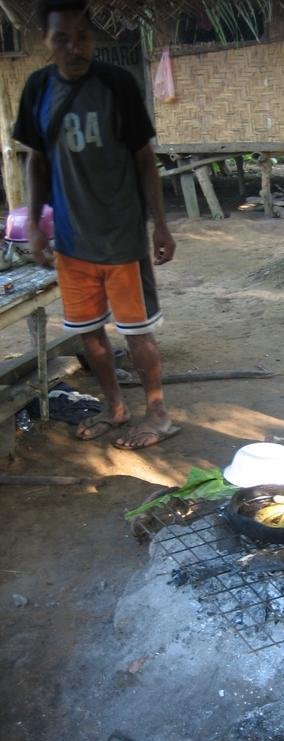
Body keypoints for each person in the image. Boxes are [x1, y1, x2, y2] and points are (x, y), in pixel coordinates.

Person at [12, 0, 178, 450]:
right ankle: (114, 407)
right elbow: (37, 161)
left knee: (137, 332)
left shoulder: (116, 84)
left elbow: (145, 159)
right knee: (89, 332)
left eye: (81, 37)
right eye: (61, 38)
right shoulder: (38, 89)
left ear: (93, 38)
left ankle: (158, 414)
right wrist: (35, 224)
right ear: (46, 43)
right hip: (70, 239)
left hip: (122, 237)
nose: (73, 47)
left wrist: (160, 226)